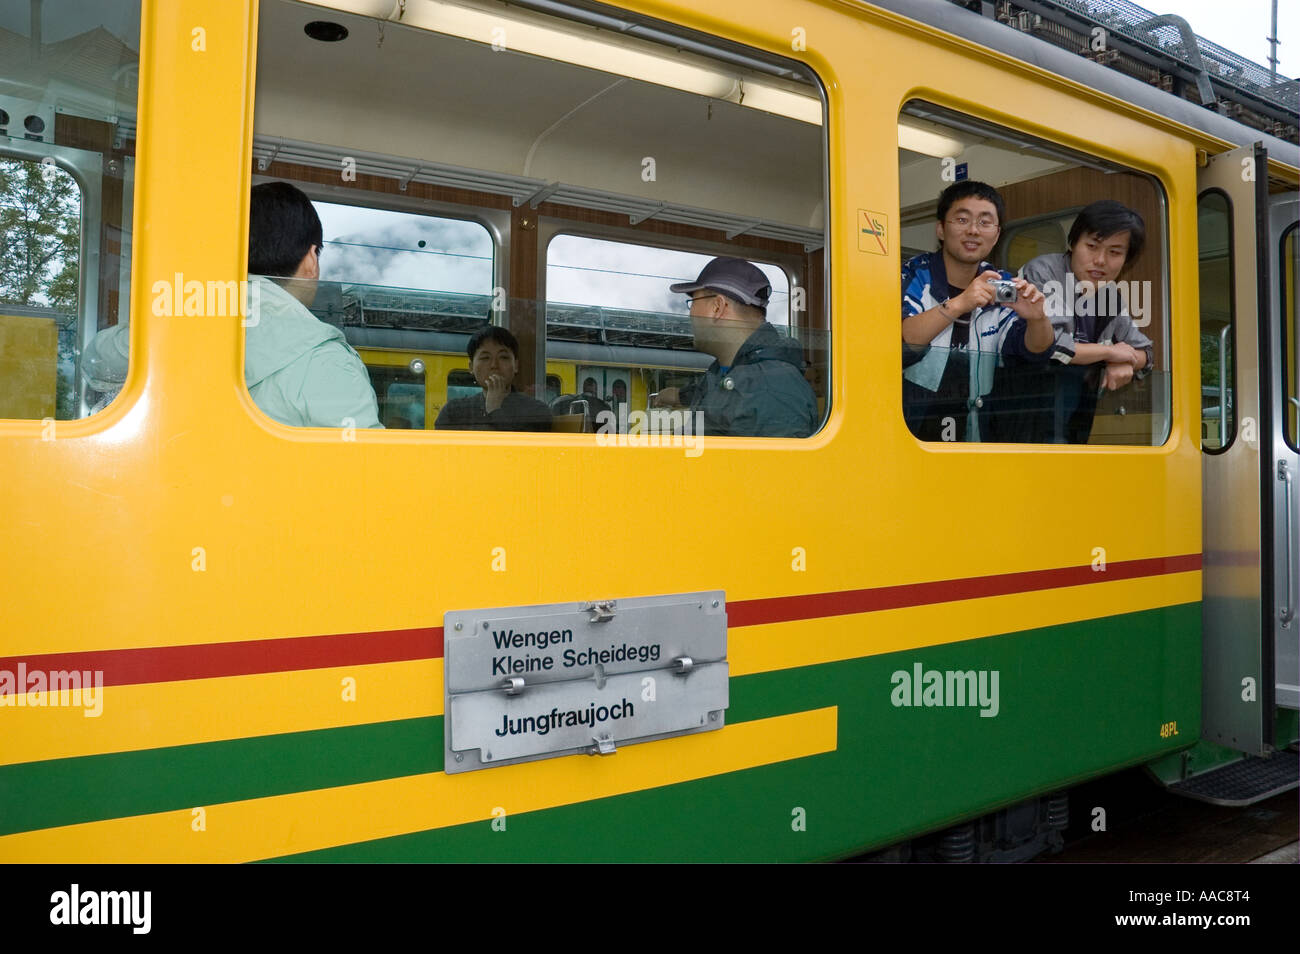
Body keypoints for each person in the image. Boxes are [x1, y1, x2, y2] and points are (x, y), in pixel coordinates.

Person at [83, 181, 382, 429]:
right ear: (311, 259)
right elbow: (367, 480)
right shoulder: (326, 361)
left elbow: (97, 362)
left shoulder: (187, 317)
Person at [901, 180, 1054, 442]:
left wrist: (1037, 319)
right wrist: (962, 302)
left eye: (985, 223)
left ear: (996, 235)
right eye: (962, 220)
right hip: (910, 424)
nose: (973, 230)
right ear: (940, 229)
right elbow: (904, 341)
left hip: (977, 425)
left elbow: (1035, 351)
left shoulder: (1000, 282)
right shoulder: (915, 273)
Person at [1015, 200, 1152, 443]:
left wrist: (1124, 360)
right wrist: (1111, 352)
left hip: (1075, 417)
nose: (1100, 260)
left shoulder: (1110, 294)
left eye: (1115, 252)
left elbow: (1146, 353)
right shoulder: (1043, 272)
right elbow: (1052, 347)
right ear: (1073, 243)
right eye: (1092, 246)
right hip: (1020, 409)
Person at [653, 257, 818, 438]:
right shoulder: (731, 370)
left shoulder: (770, 391)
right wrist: (677, 395)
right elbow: (716, 393)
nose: (690, 315)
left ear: (717, 307)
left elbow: (775, 465)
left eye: (693, 303)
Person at [434, 326, 552, 431]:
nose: (494, 365)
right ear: (471, 367)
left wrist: (494, 409)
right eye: (485, 358)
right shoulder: (454, 411)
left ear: (516, 365)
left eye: (503, 357)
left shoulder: (536, 411)